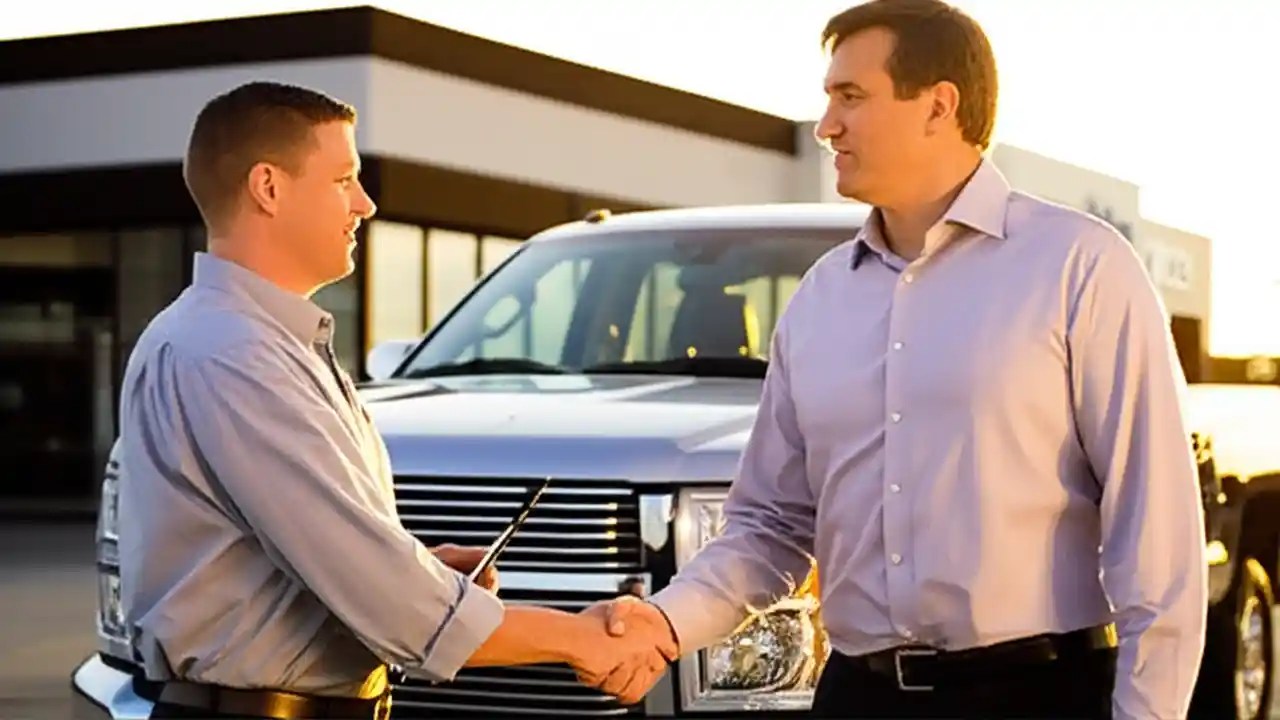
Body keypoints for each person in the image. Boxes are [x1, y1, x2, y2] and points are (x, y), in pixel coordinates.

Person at [585, 1, 1207, 718]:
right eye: (828, 101)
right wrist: (665, 623)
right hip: (856, 695)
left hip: (1038, 693)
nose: (826, 127)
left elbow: (1156, 536)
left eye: (851, 97)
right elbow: (769, 526)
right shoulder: (819, 300)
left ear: (939, 105)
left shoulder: (1081, 267)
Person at [115, 81, 673, 720]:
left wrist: (422, 570)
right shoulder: (232, 355)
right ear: (268, 188)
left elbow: (313, 562)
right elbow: (385, 598)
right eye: (343, 179)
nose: (366, 203)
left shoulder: (257, 344)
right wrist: (577, 637)